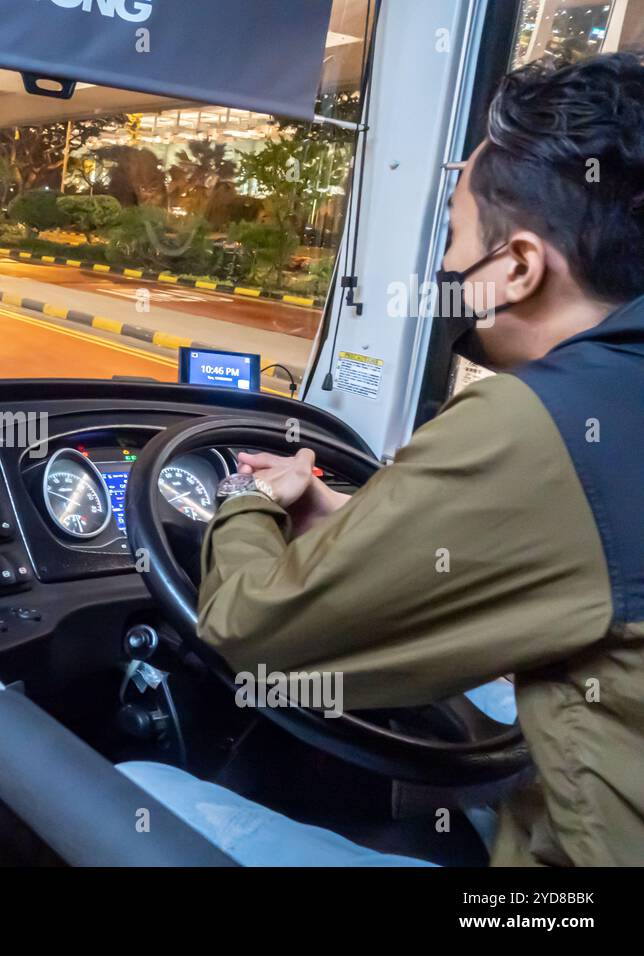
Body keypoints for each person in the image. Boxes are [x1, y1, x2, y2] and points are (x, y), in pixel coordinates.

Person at [164, 52, 644, 866]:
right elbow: (559, 557)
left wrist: (246, 504)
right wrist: (353, 521)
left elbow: (252, 633)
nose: (451, 269)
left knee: (151, 788)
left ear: (520, 266)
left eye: (457, 238)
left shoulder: (536, 423)